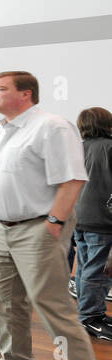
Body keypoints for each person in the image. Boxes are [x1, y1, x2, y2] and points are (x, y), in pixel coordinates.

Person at [0, 71, 109, 360]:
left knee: (53, 308)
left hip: (37, 227)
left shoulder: (52, 126)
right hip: (0, 227)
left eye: (1, 89)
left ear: (26, 94)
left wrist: (55, 222)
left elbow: (73, 179)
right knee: (4, 299)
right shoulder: (2, 130)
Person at [74, 107, 112, 341]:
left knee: (86, 265)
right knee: (96, 268)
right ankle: (91, 316)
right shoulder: (109, 147)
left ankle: (88, 312)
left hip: (79, 216)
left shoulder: (78, 148)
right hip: (101, 217)